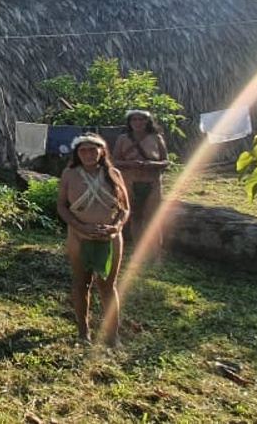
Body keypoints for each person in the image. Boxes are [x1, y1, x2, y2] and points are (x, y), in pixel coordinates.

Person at [56, 133, 130, 346]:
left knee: (108, 286)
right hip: (79, 237)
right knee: (82, 284)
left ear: (102, 151)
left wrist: (116, 227)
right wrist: (79, 227)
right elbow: (61, 205)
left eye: (92, 149)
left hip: (111, 238)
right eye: (83, 150)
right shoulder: (69, 174)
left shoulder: (114, 173)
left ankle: (112, 335)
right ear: (77, 154)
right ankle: (83, 332)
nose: (88, 154)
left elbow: (124, 208)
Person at [112, 110, 170, 247]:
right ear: (129, 122)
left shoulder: (156, 138)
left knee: (153, 219)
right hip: (130, 183)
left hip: (152, 183)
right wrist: (129, 164)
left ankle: (156, 254)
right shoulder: (123, 139)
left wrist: (151, 164)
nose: (138, 123)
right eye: (134, 120)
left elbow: (166, 162)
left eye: (141, 119)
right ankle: (138, 249)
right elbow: (114, 161)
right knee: (135, 217)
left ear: (147, 122)